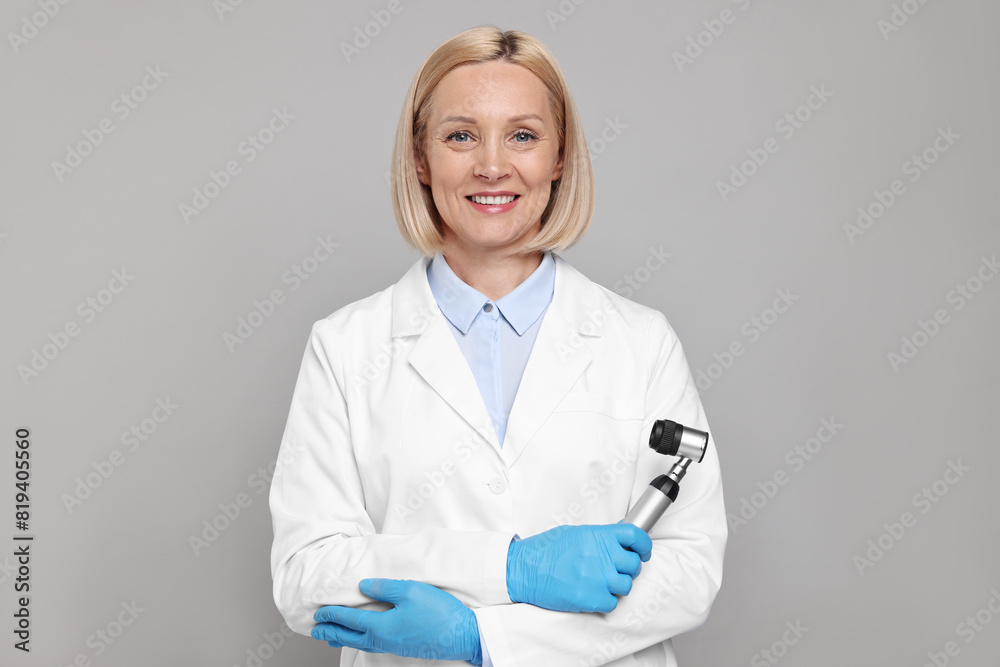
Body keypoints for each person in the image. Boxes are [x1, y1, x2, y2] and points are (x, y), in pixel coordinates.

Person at [269, 25, 727, 667]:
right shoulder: (345, 347)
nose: (491, 165)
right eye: (460, 135)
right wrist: (511, 568)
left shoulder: (640, 342)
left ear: (559, 157)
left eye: (523, 135)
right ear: (421, 159)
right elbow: (306, 575)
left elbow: (687, 575)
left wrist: (484, 641)